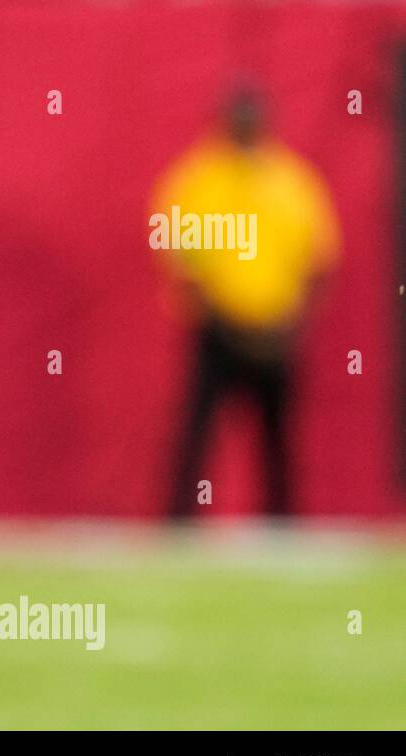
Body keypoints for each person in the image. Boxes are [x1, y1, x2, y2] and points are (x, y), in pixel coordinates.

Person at [153, 83, 340, 518]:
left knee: (278, 437)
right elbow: (179, 259)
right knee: (197, 431)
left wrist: (291, 323)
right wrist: (226, 322)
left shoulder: (293, 181)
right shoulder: (199, 180)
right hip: (217, 331)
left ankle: (282, 524)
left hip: (278, 331)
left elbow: (320, 259)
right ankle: (181, 522)